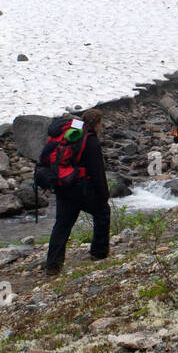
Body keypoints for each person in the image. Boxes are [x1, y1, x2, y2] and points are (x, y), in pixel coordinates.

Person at [43, 109, 111, 275]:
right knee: (102, 212)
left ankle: (53, 265)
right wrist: (104, 195)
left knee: (62, 224)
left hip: (63, 186)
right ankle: (99, 252)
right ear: (97, 123)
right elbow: (97, 172)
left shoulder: (71, 135)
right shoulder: (91, 141)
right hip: (81, 188)